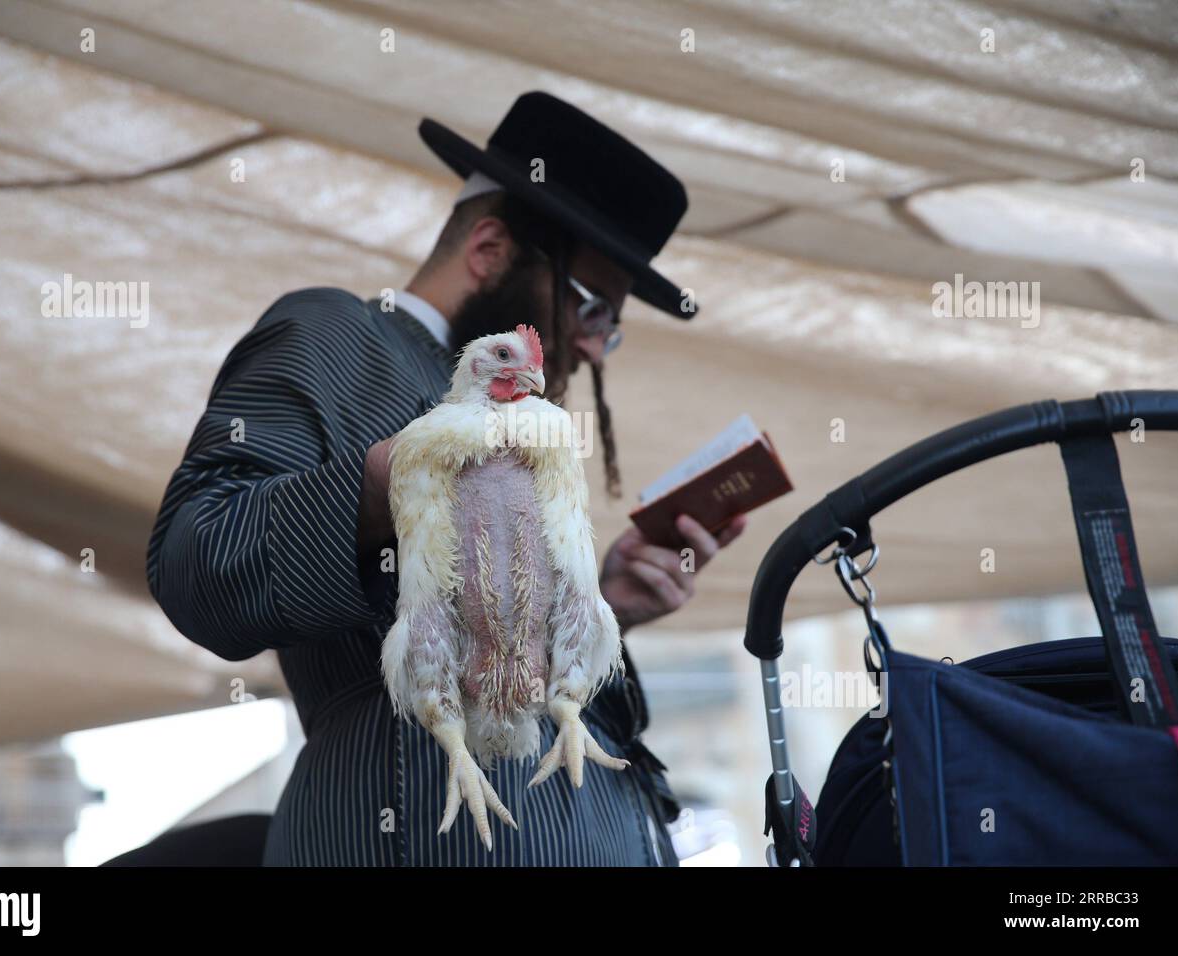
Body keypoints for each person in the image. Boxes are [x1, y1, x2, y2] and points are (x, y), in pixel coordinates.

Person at [147, 91, 745, 866]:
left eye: (610, 328)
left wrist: (599, 603)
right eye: (590, 307)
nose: (594, 349)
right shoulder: (337, 334)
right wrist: (399, 476)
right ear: (490, 250)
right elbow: (198, 564)